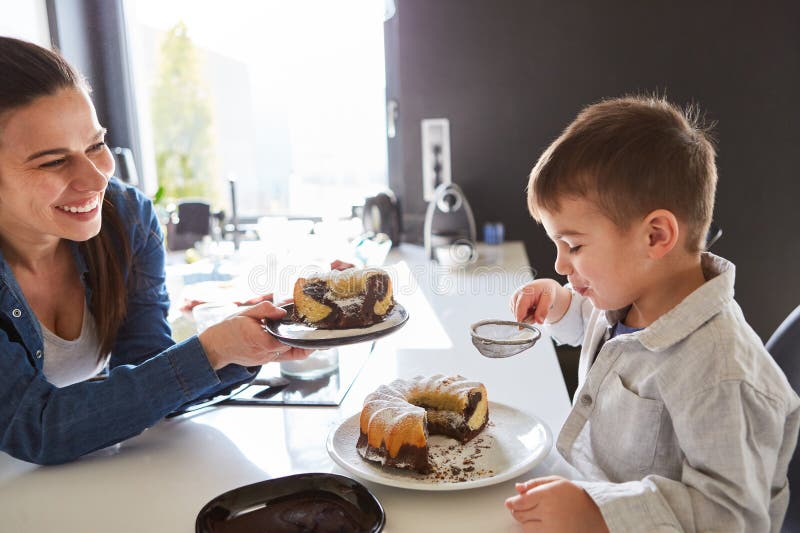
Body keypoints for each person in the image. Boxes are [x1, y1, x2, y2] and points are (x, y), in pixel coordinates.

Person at [0, 36, 312, 465]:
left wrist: (237, 345)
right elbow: (35, 427)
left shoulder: (126, 221)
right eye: (54, 161)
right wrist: (211, 352)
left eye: (95, 145)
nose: (95, 180)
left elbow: (149, 372)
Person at [505, 95, 799, 532]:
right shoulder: (634, 296)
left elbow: (732, 517)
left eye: (575, 246)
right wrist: (561, 303)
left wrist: (596, 513)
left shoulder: (722, 373)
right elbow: (592, 321)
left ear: (655, 236)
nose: (561, 265)